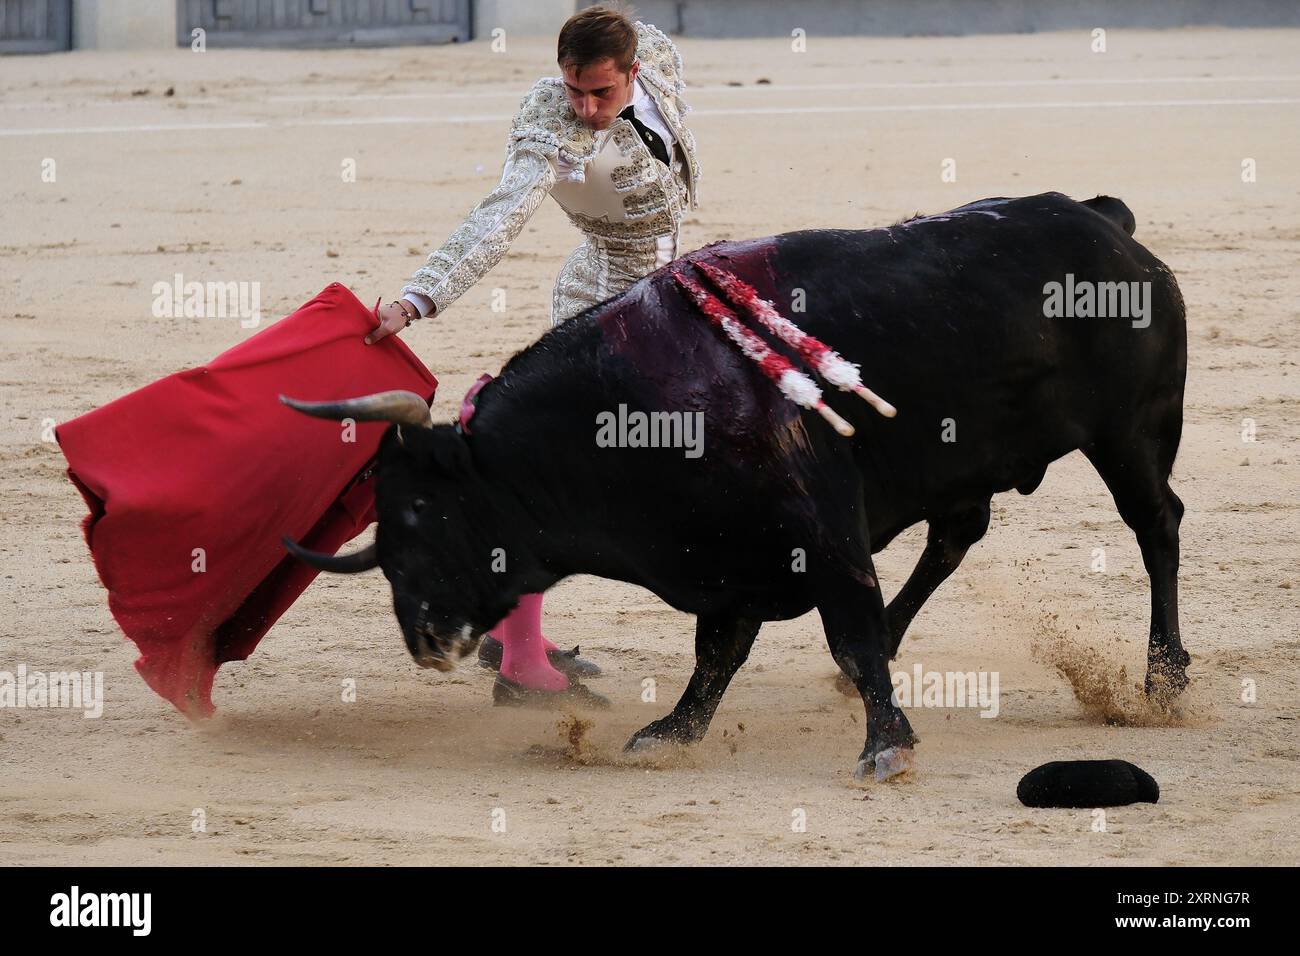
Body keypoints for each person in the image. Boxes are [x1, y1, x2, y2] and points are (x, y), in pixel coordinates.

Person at [364, 4, 701, 706]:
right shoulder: (549, 128)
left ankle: (514, 633)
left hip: (659, 288)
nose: (584, 106)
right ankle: (519, 657)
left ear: (633, 70)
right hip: (605, 305)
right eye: (573, 89)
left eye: (600, 93)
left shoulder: (659, 51)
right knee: (571, 471)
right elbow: (499, 217)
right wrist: (417, 299)